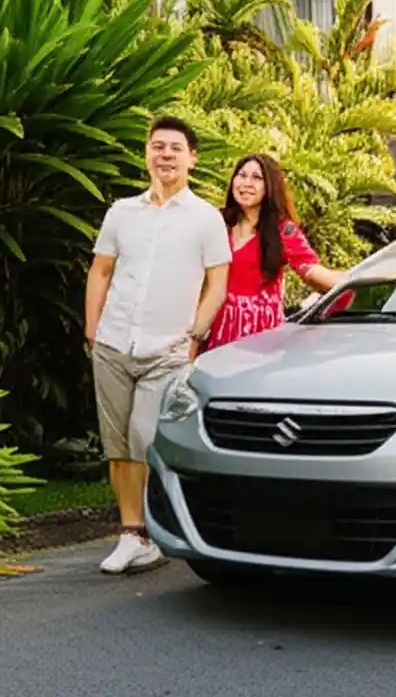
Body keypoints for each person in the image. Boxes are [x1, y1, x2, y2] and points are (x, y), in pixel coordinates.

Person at [84, 115, 231, 575]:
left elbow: (217, 285)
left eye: (175, 148)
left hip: (167, 349)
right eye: (157, 146)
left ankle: (147, 531)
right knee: (116, 443)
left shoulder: (206, 218)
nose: (165, 155)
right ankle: (132, 534)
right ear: (147, 153)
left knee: (144, 437)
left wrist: (195, 335)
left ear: (192, 158)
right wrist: (92, 328)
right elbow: (101, 271)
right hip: (113, 342)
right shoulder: (122, 212)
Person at [203, 153, 344, 351]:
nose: (246, 183)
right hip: (217, 327)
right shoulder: (219, 223)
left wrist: (353, 282)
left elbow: (309, 268)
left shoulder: (282, 230)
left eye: (257, 178)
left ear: (270, 187)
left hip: (261, 334)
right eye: (242, 175)